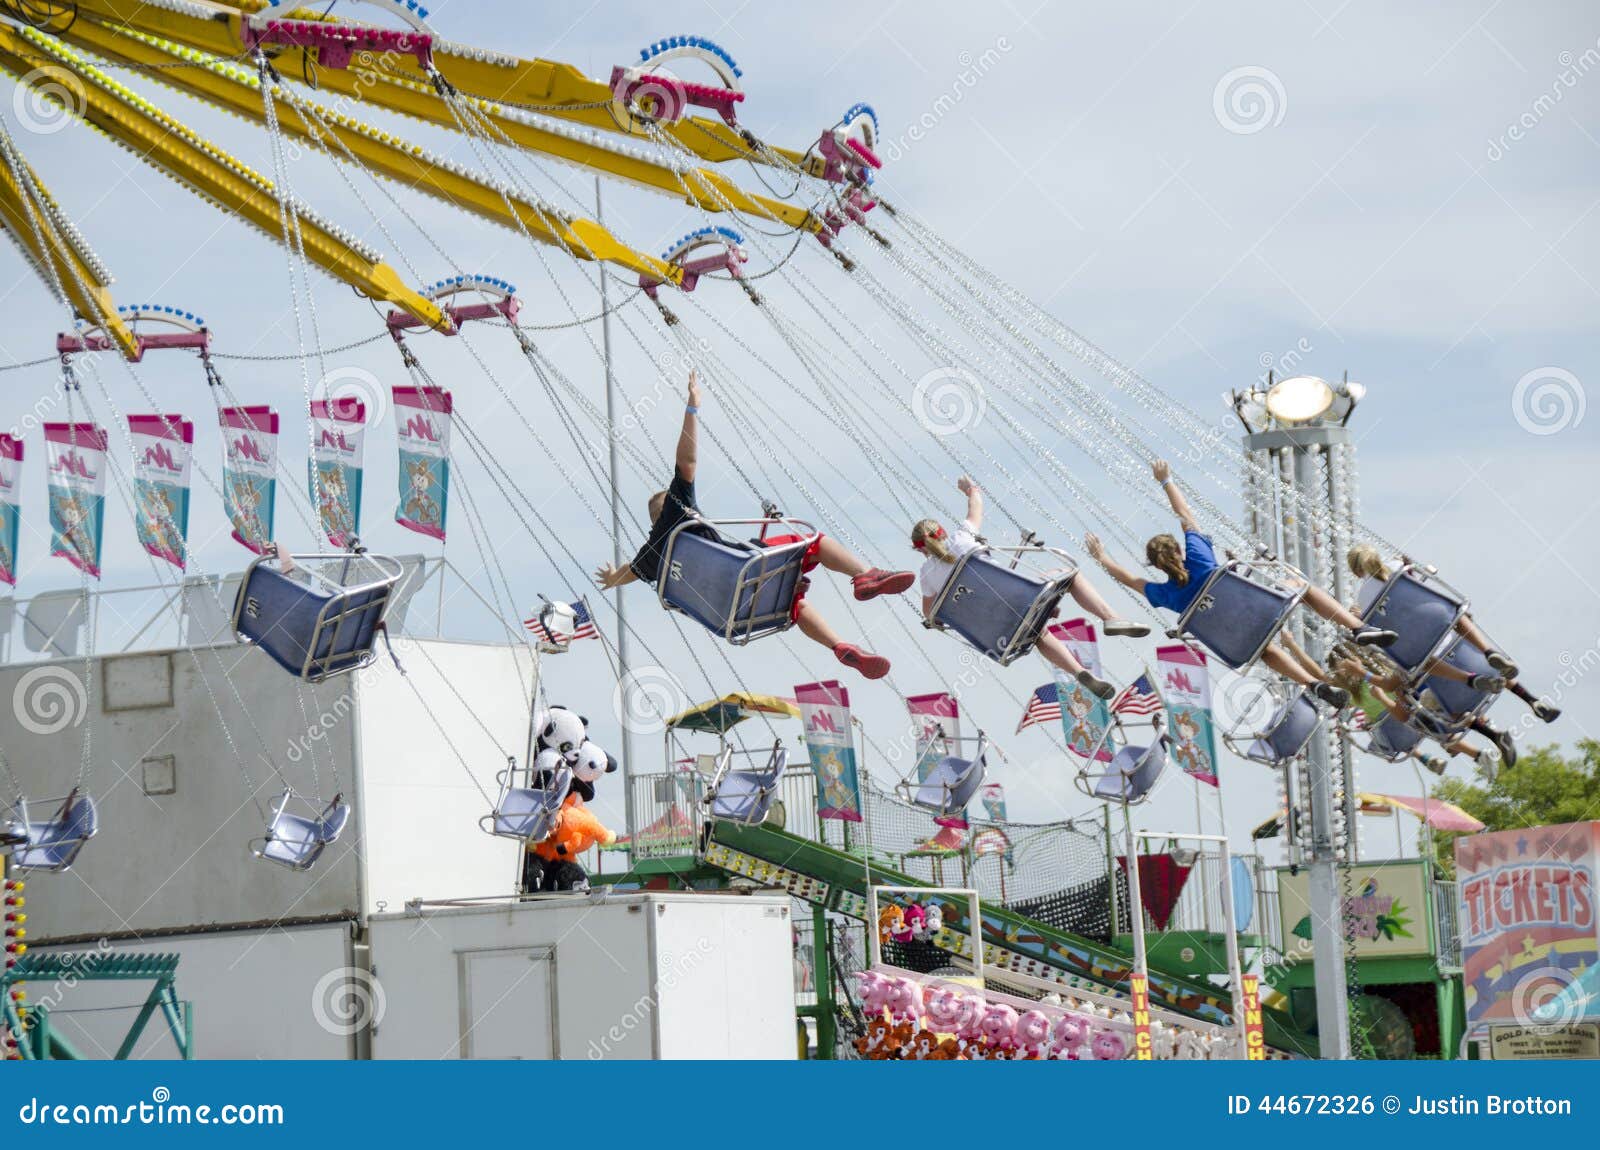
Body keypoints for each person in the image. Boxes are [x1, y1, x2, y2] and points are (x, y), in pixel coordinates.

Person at [595, 371, 914, 680]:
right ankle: (863, 576)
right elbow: (686, 462)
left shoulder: (651, 556)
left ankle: (838, 645)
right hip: (744, 570)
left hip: (733, 614)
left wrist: (611, 578)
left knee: (793, 604)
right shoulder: (677, 511)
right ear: (669, 506)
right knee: (813, 540)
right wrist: (692, 407)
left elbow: (629, 574)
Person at [1084, 460, 1402, 709]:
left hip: (1235, 639)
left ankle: (1312, 684)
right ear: (1178, 550)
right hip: (1259, 608)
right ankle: (1357, 628)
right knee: (1301, 585)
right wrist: (1166, 481)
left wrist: (1101, 558)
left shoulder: (1163, 593)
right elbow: (1184, 513)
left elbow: (1127, 579)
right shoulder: (1197, 554)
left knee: (1264, 650)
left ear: (1154, 565)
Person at [910, 475, 1149, 700]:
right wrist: (970, 488)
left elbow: (930, 614)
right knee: (1070, 575)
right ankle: (1110, 617)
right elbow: (977, 505)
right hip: (1019, 599)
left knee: (1036, 633)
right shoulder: (962, 538)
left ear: (920, 549)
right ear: (941, 532)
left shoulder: (926, 575)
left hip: (996, 630)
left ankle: (1078, 672)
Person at [1347, 544, 1559, 724]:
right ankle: (1494, 658)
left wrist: (1359, 618)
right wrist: (1406, 564)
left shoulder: (1363, 598)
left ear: (1357, 572)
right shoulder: (1397, 566)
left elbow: (1374, 635)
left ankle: (1468, 679)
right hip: (1439, 621)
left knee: (1422, 661)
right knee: (1458, 619)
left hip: (1417, 644)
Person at [1326, 642, 1514, 779]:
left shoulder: (1367, 681)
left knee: (1432, 723)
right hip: (1404, 715)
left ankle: (1475, 750)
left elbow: (1392, 687)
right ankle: (1484, 737)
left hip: (1403, 718)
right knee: (1435, 720)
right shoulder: (1360, 688)